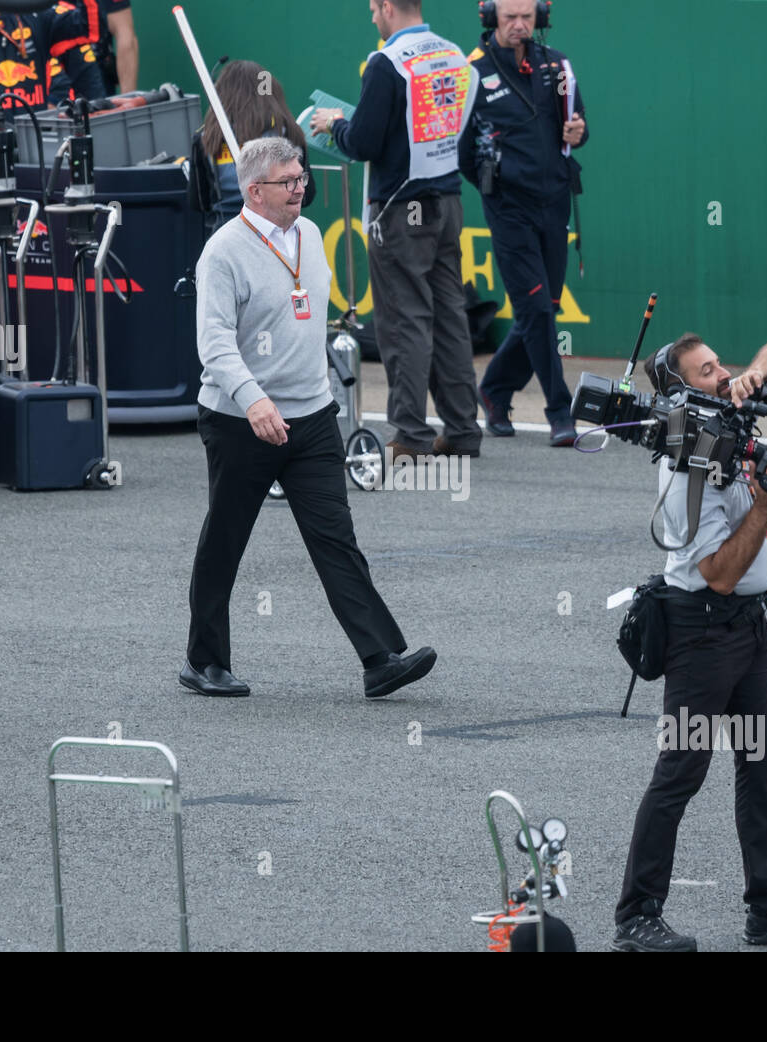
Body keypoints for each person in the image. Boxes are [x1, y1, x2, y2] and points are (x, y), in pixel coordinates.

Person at [611, 331, 767, 952]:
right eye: (706, 371)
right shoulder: (684, 462)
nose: (721, 375)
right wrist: (766, 502)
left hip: (747, 628)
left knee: (762, 768)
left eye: (720, 365)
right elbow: (717, 573)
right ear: (681, 390)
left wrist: (753, 375)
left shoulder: (733, 421)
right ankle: (635, 915)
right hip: (701, 631)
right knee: (681, 772)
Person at [184, 136, 437, 700]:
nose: (301, 188)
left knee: (336, 538)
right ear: (255, 191)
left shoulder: (310, 235)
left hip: (313, 418)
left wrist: (323, 395)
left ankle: (379, 658)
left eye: (301, 177)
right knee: (225, 539)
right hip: (240, 421)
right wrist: (253, 399)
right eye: (288, 181)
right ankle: (204, 661)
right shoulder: (223, 252)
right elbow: (214, 342)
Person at [308, 0, 482, 460]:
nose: (372, 17)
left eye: (372, 8)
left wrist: (334, 123)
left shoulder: (386, 63)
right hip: (447, 200)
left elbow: (363, 141)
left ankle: (410, 435)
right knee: (449, 316)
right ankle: (463, 430)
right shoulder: (454, 55)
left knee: (405, 320)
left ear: (387, 6)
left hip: (402, 208)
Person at [459, 0, 587, 447]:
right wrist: (497, 188)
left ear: (540, 18)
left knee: (543, 310)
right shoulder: (472, 71)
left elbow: (579, 126)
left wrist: (578, 132)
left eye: (526, 17)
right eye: (509, 17)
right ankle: (559, 411)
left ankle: (494, 388)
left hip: (555, 203)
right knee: (535, 311)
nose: (518, 25)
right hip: (509, 209)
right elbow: (463, 154)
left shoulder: (558, 66)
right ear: (491, 16)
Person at [194, 60, 317, 233]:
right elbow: (306, 195)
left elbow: (200, 202)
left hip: (226, 234)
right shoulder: (287, 131)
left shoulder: (206, 137)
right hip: (279, 235)